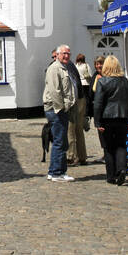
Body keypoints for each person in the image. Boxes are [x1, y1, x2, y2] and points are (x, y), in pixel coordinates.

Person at [93, 55, 128, 186]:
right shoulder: (125, 81)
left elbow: (98, 103)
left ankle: (111, 176)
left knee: (108, 147)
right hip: (123, 117)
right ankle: (122, 169)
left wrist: (97, 121)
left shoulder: (103, 82)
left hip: (107, 118)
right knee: (121, 145)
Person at [42, 44, 76, 181]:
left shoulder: (63, 68)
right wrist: (62, 107)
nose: (66, 56)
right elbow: (55, 91)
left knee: (62, 141)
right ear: (57, 54)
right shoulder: (55, 68)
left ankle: (59, 171)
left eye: (68, 53)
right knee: (59, 141)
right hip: (56, 109)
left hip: (60, 109)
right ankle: (56, 172)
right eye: (64, 53)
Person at [64, 49, 87, 166]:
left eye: (54, 56)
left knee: (70, 129)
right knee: (78, 129)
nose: (54, 59)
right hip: (81, 98)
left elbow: (72, 85)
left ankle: (71, 156)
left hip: (75, 100)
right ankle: (82, 156)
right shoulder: (71, 65)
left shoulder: (66, 67)